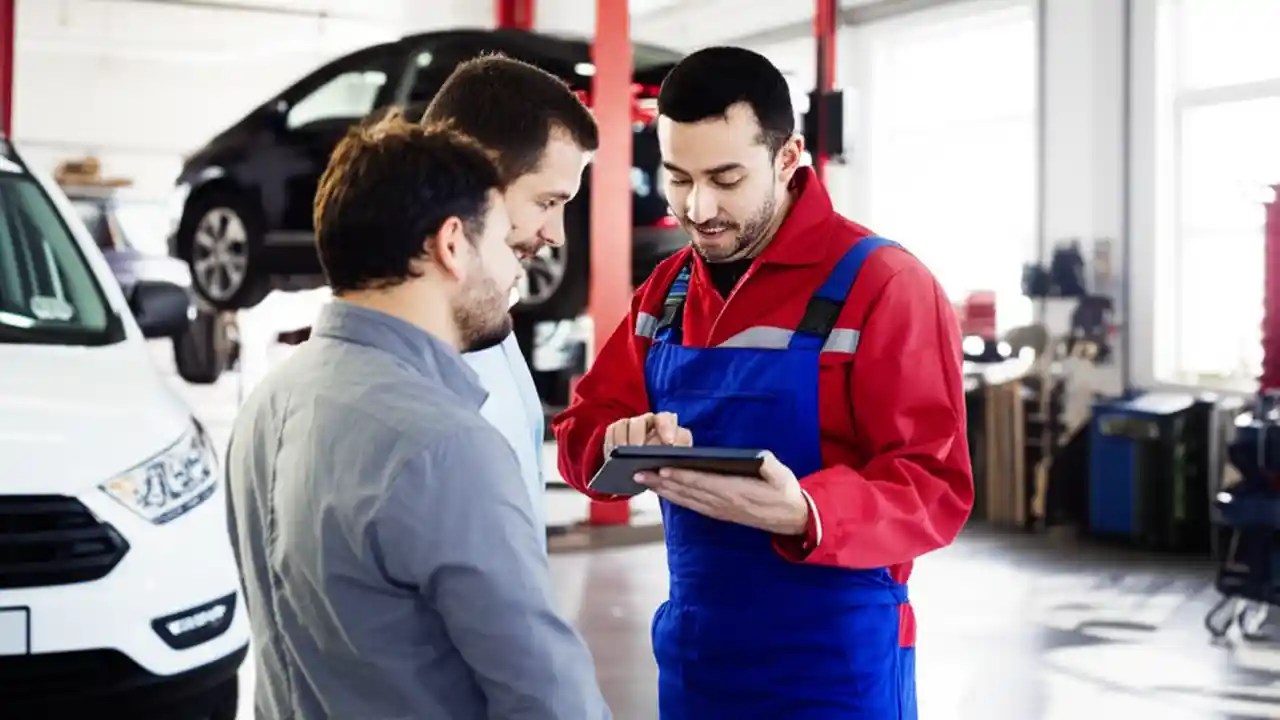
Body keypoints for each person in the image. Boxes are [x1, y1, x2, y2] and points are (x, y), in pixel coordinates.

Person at [553, 46, 974, 718]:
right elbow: (580, 433)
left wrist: (805, 511)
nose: (699, 207)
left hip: (834, 670)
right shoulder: (666, 292)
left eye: (726, 177)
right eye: (679, 178)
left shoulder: (885, 286)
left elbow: (933, 487)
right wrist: (613, 444)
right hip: (697, 661)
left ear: (787, 158)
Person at [224, 113, 609, 720]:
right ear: (452, 244)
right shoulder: (446, 445)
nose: (514, 270)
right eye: (504, 241)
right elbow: (547, 695)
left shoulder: (267, 404)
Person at [421, 54, 598, 550]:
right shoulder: (410, 366)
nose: (558, 235)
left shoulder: (491, 324)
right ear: (475, 179)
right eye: (546, 203)